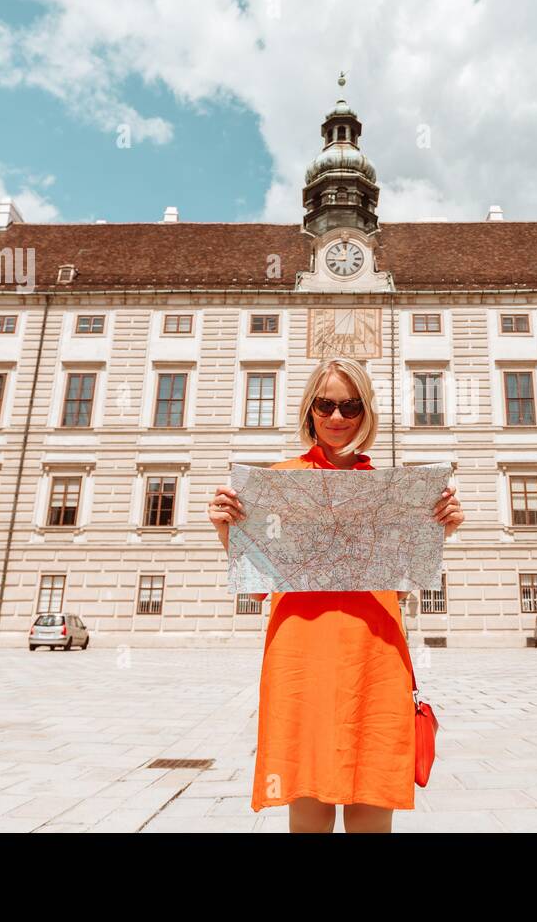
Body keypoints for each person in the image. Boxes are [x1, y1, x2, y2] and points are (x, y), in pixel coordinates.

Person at [209, 356, 464, 832]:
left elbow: (405, 573)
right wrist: (228, 530)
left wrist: (440, 531)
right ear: (310, 410)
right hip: (303, 657)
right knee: (309, 803)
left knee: (372, 798)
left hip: (375, 653)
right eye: (325, 405)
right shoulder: (277, 480)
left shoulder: (394, 488)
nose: (337, 418)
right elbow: (258, 578)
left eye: (350, 406)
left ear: (366, 414)